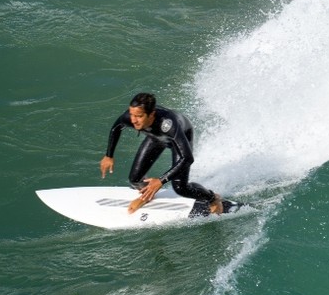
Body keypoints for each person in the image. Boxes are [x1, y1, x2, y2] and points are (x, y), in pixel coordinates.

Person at [100, 92, 233, 217]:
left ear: (151, 114)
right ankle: (148, 194)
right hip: (155, 138)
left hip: (180, 136)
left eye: (139, 116)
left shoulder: (167, 124)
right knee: (135, 179)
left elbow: (187, 158)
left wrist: (160, 181)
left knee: (181, 188)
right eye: (132, 115)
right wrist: (109, 155)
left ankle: (213, 198)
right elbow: (116, 128)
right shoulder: (131, 117)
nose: (133, 120)